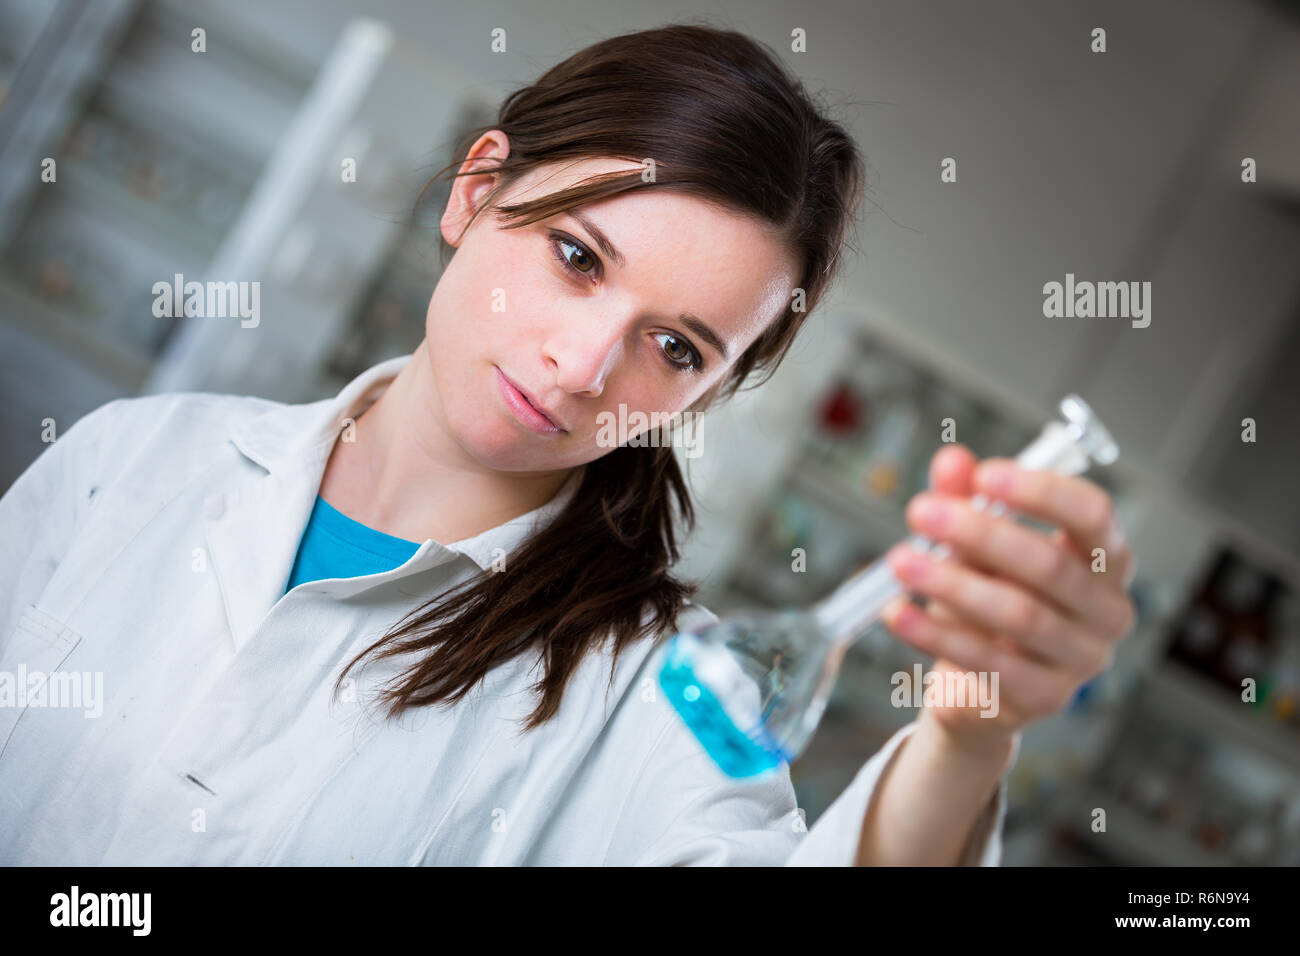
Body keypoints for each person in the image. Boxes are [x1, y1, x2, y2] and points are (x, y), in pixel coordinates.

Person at [0, 23, 1136, 865]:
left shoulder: (640, 693)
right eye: (579, 259)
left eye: (677, 348)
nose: (586, 367)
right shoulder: (139, 457)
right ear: (477, 187)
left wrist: (968, 736)